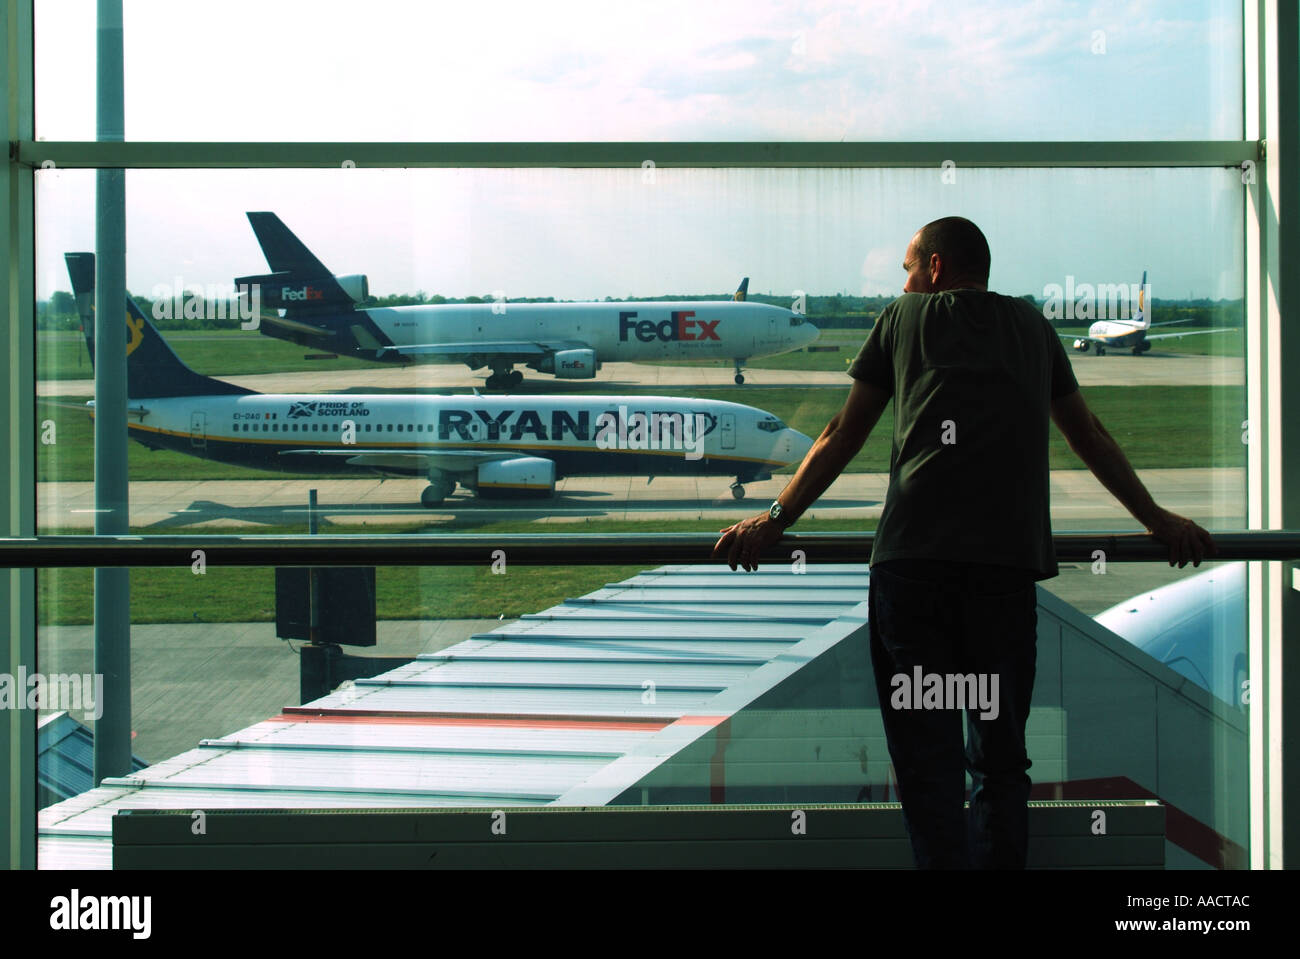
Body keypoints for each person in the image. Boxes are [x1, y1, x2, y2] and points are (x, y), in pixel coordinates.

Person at [711, 216, 1216, 868]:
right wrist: (1156, 518)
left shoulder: (902, 319)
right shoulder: (1033, 328)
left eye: (909, 266)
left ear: (938, 266)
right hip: (1003, 575)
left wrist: (774, 520)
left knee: (928, 766)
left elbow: (842, 432)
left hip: (913, 572)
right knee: (1001, 761)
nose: (905, 278)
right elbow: (1089, 433)